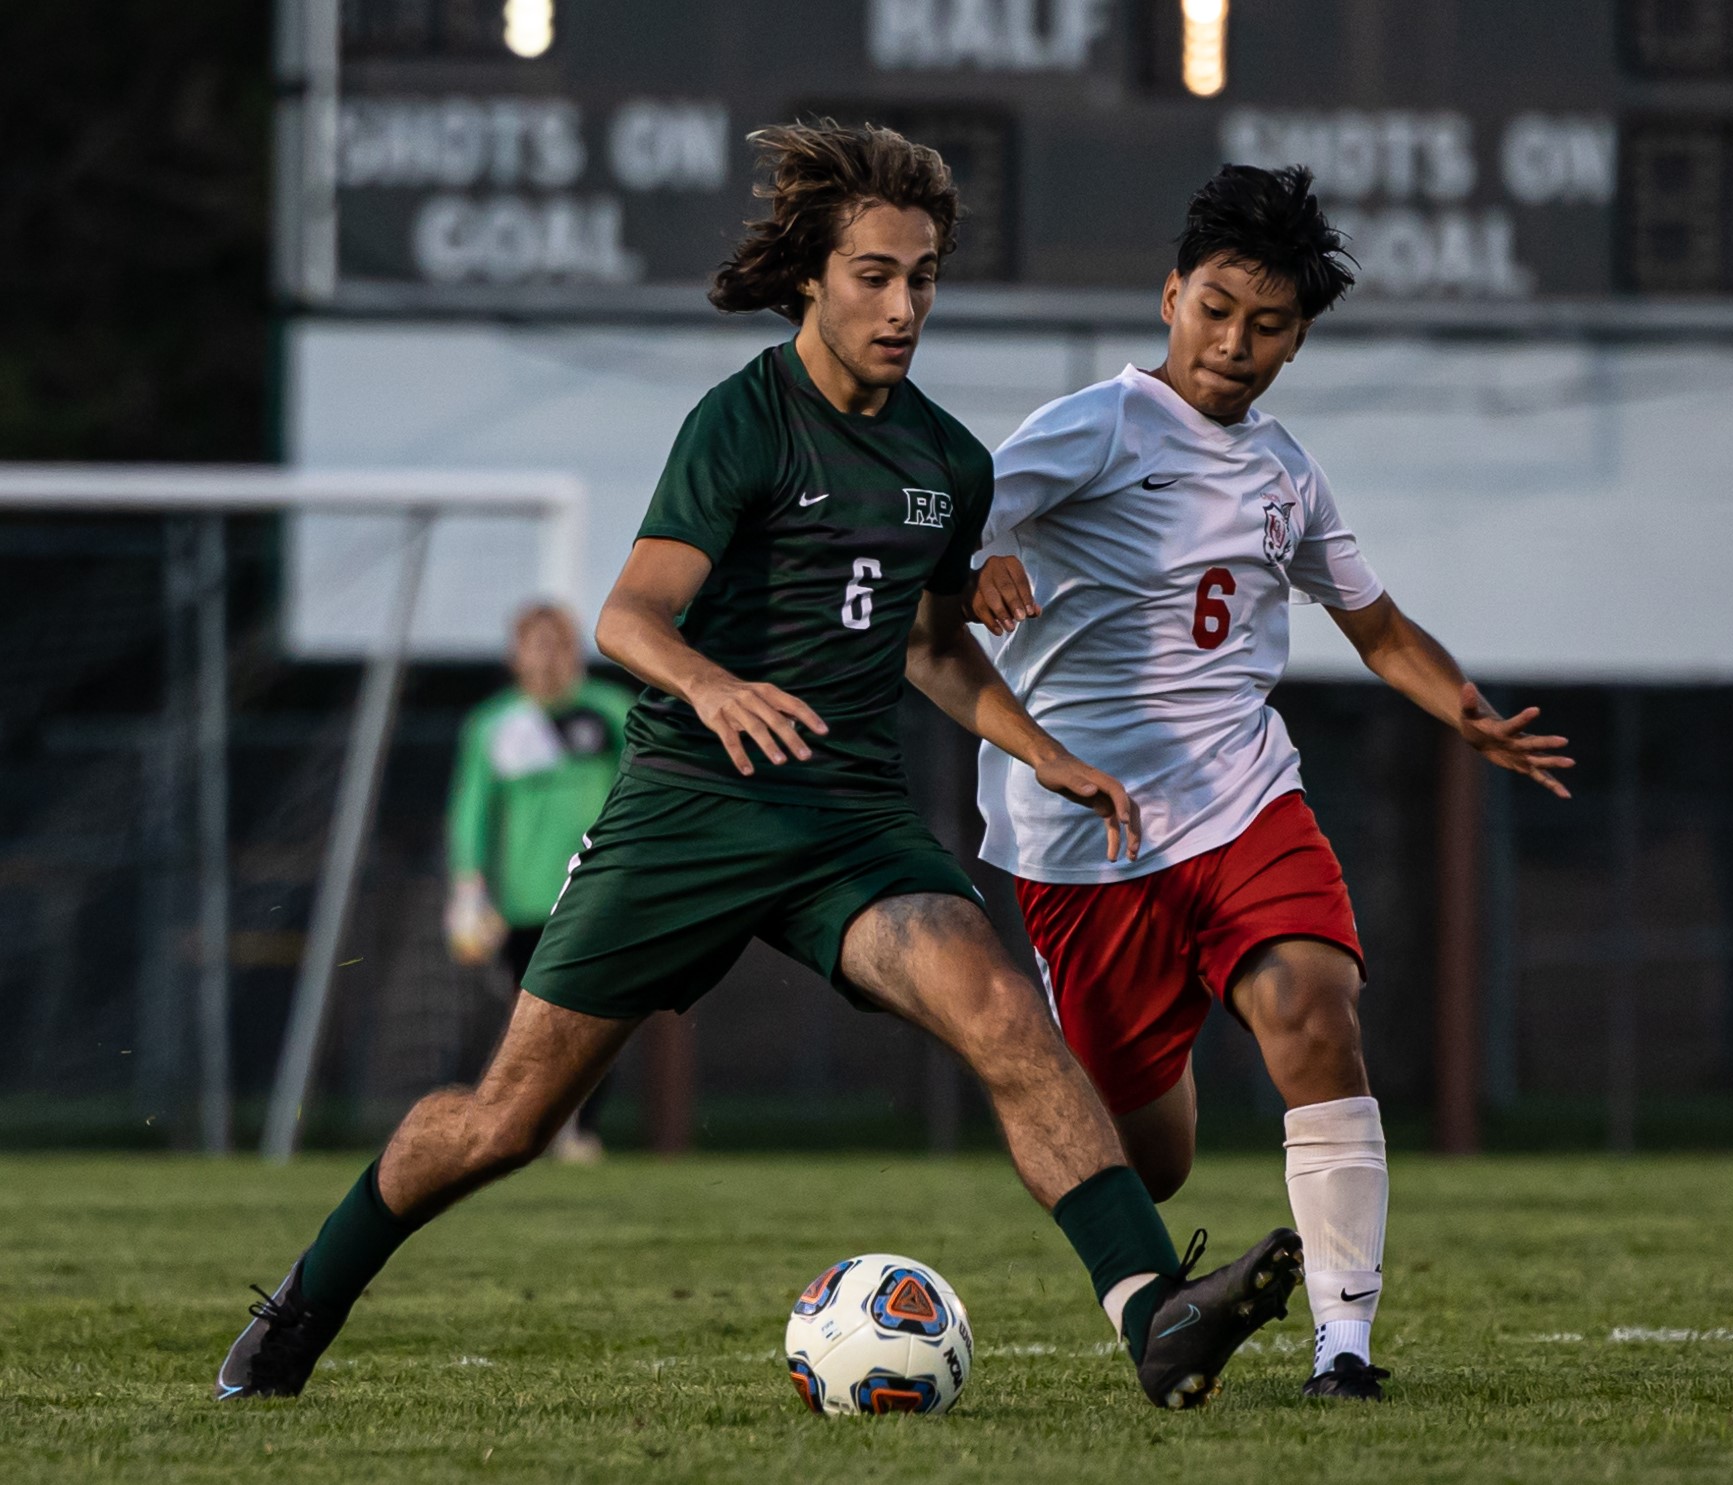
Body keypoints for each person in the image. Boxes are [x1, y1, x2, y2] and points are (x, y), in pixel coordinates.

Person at [216, 122, 1302, 1410]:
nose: (903, 308)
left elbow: (932, 649)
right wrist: (714, 685)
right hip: (687, 814)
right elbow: (628, 619)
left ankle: (1154, 1316)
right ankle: (304, 1304)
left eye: (923, 278)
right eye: (874, 276)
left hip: (848, 825)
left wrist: (1042, 750)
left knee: (1006, 1016)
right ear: (810, 279)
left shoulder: (948, 462)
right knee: (504, 1124)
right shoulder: (740, 422)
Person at [964, 164, 1576, 1402]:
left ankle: (1343, 1350)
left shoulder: (1287, 474)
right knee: (1151, 1158)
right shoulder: (1096, 425)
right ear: (1171, 298)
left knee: (1313, 1006)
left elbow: (1378, 628)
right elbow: (963, 513)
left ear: (1298, 340)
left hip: (1243, 800)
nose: (1235, 344)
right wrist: (976, 560)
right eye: (1217, 310)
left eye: (1269, 324)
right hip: (1084, 841)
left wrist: (1468, 713)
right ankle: (1153, 1238)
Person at [445, 601, 635, 1162]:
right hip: (525, 902)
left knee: (597, 1018)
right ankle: (530, 1126)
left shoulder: (612, 711)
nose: (549, 657)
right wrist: (467, 886)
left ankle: (580, 1130)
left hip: (597, 893)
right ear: (516, 655)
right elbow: (471, 810)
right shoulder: (493, 724)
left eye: (559, 644)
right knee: (530, 1023)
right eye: (537, 645)